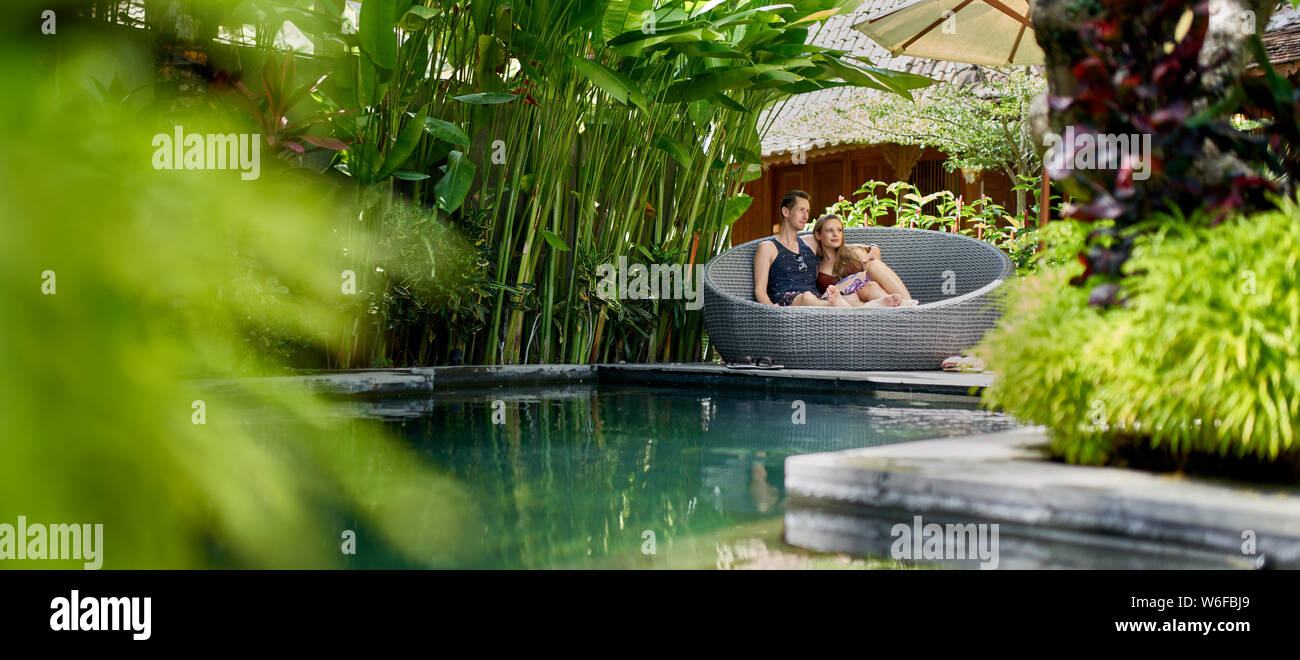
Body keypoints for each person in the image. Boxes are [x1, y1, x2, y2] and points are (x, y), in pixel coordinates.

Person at [753, 190, 853, 307]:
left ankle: (875, 307)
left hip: (817, 300)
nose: (806, 216)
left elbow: (840, 246)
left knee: (854, 298)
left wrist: (871, 248)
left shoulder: (810, 241)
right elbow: (760, 291)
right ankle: (838, 308)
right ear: (786, 212)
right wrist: (773, 311)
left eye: (807, 211)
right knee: (807, 297)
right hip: (787, 303)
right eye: (801, 210)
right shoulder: (767, 247)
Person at [810, 213, 918, 306]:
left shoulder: (852, 252)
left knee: (874, 273)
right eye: (829, 230)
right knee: (863, 291)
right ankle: (898, 306)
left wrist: (873, 248)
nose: (835, 234)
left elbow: (873, 258)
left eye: (839, 230)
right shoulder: (815, 263)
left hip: (870, 292)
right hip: (847, 302)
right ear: (818, 235)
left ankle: (906, 304)